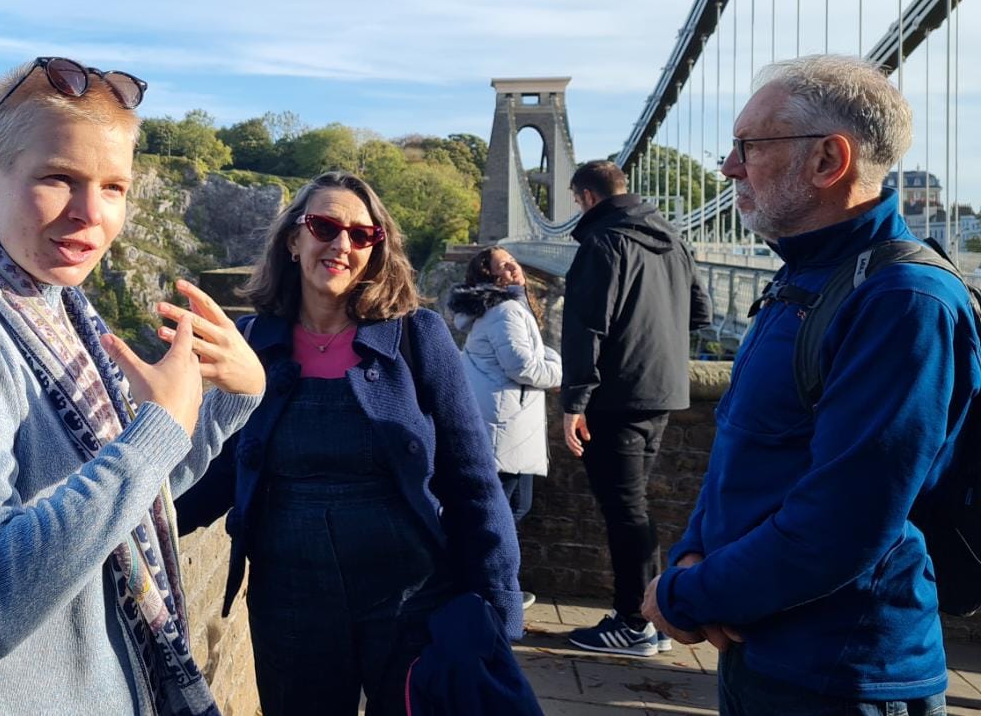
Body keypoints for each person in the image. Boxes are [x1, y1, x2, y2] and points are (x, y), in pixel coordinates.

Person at [0, 56, 266, 716]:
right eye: (59, 179)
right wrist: (154, 432)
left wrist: (228, 401)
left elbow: (121, 502)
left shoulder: (57, 313)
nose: (90, 213)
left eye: (114, 187)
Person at [644, 55, 981, 713]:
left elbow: (846, 521)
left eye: (748, 146)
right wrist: (692, 555)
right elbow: (744, 449)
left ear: (829, 159)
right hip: (759, 644)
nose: (728, 168)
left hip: (844, 674)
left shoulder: (903, 301)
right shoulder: (805, 277)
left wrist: (686, 595)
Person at [177, 171, 522, 716]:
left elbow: (472, 479)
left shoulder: (418, 336)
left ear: (376, 251)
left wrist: (499, 605)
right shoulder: (251, 344)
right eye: (325, 226)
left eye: (362, 235)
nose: (342, 244)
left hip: (411, 599)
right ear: (293, 240)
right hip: (291, 603)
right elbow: (219, 472)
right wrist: (130, 516)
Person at [561, 158, 712, 656]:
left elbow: (587, 329)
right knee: (634, 506)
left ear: (587, 197)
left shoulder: (603, 242)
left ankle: (633, 623)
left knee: (624, 510)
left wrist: (574, 401)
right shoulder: (672, 239)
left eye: (577, 200)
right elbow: (701, 312)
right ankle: (654, 616)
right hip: (662, 392)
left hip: (617, 394)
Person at [449, 247, 562, 610]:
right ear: (490, 277)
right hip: (504, 427)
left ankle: (488, 586)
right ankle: (483, 588)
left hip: (505, 425)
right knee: (503, 510)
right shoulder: (507, 311)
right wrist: (560, 370)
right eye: (504, 265)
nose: (514, 268)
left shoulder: (502, 309)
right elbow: (524, 367)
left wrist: (545, 358)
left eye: (513, 261)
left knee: (507, 508)